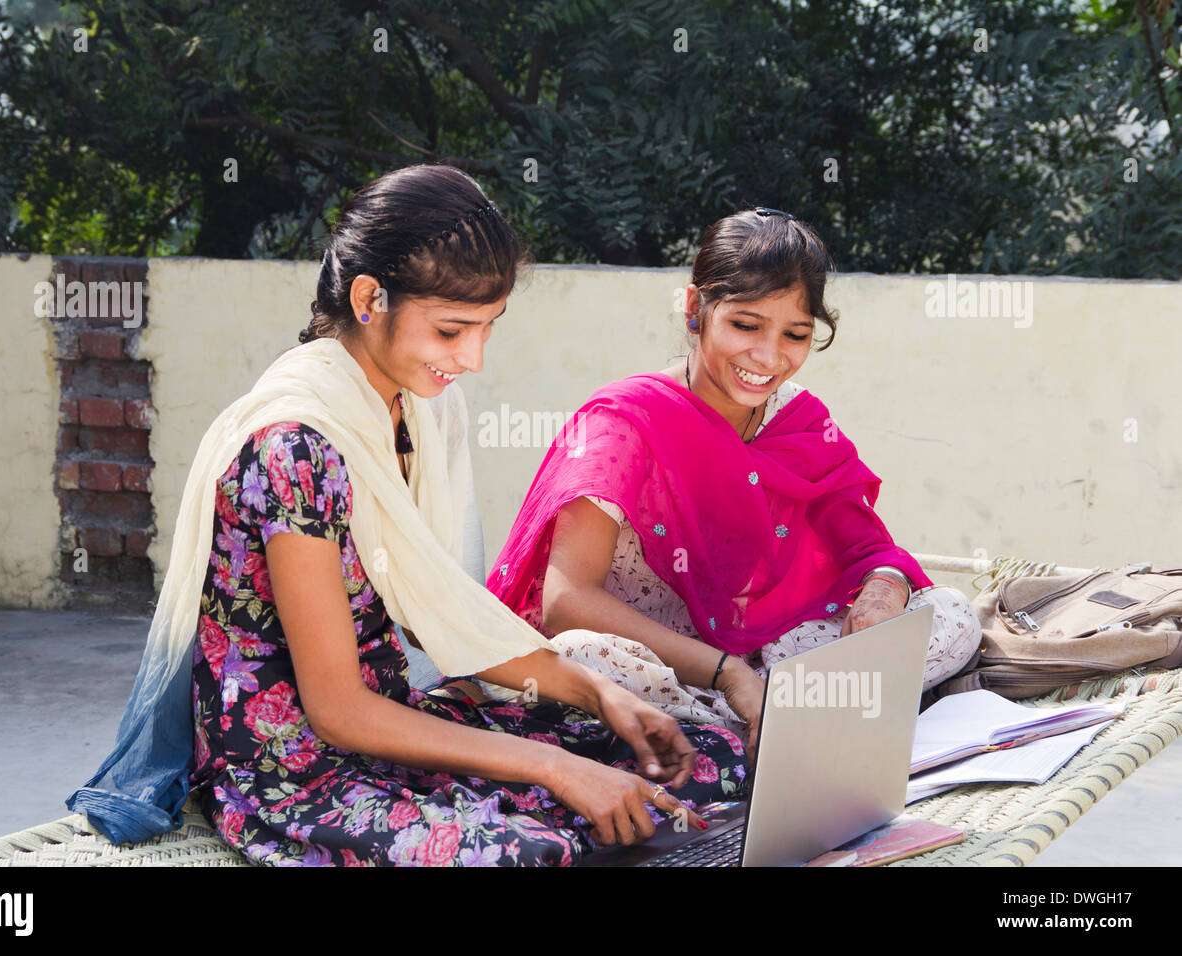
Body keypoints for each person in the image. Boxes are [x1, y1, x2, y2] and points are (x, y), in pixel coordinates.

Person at [69, 164, 747, 867]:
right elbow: (337, 710)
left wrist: (602, 695)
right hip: (296, 769)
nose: (473, 358)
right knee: (530, 853)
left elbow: (437, 609)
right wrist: (550, 767)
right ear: (369, 298)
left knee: (709, 758)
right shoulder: (295, 447)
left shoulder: (414, 406)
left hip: (391, 719)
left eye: (487, 329)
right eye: (453, 330)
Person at [486, 207, 983, 751]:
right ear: (696, 308)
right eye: (745, 325)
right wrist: (728, 673)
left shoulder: (797, 420)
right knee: (584, 654)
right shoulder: (625, 424)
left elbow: (870, 549)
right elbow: (566, 601)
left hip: (760, 650)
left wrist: (882, 595)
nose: (768, 358)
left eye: (795, 334)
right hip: (659, 663)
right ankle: (769, 721)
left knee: (951, 617)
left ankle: (756, 723)